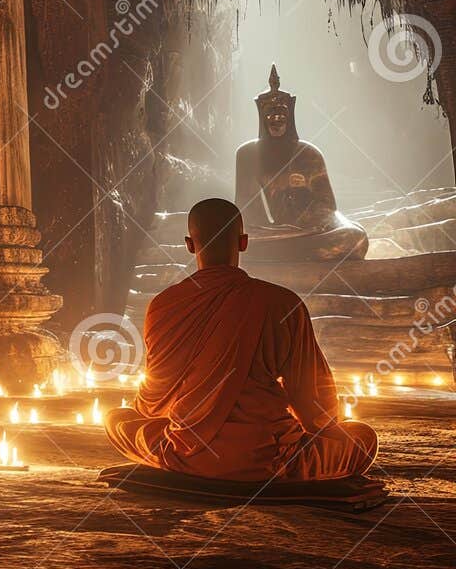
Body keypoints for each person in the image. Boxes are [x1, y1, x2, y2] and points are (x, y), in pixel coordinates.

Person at [104, 197, 376, 481]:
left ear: (190, 245)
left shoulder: (164, 305)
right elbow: (314, 405)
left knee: (117, 420)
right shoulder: (282, 303)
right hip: (271, 462)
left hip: (186, 456)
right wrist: (328, 427)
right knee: (362, 437)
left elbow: (152, 401)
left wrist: (190, 418)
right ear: (243, 242)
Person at [234, 65, 369, 261]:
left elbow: (328, 208)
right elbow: (245, 210)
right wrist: (279, 186)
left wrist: (302, 193)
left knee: (355, 238)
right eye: (270, 116)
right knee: (239, 242)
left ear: (290, 118)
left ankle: (282, 253)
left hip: (311, 228)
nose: (277, 120)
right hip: (269, 233)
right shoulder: (247, 154)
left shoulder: (309, 154)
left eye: (281, 115)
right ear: (262, 118)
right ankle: (286, 252)